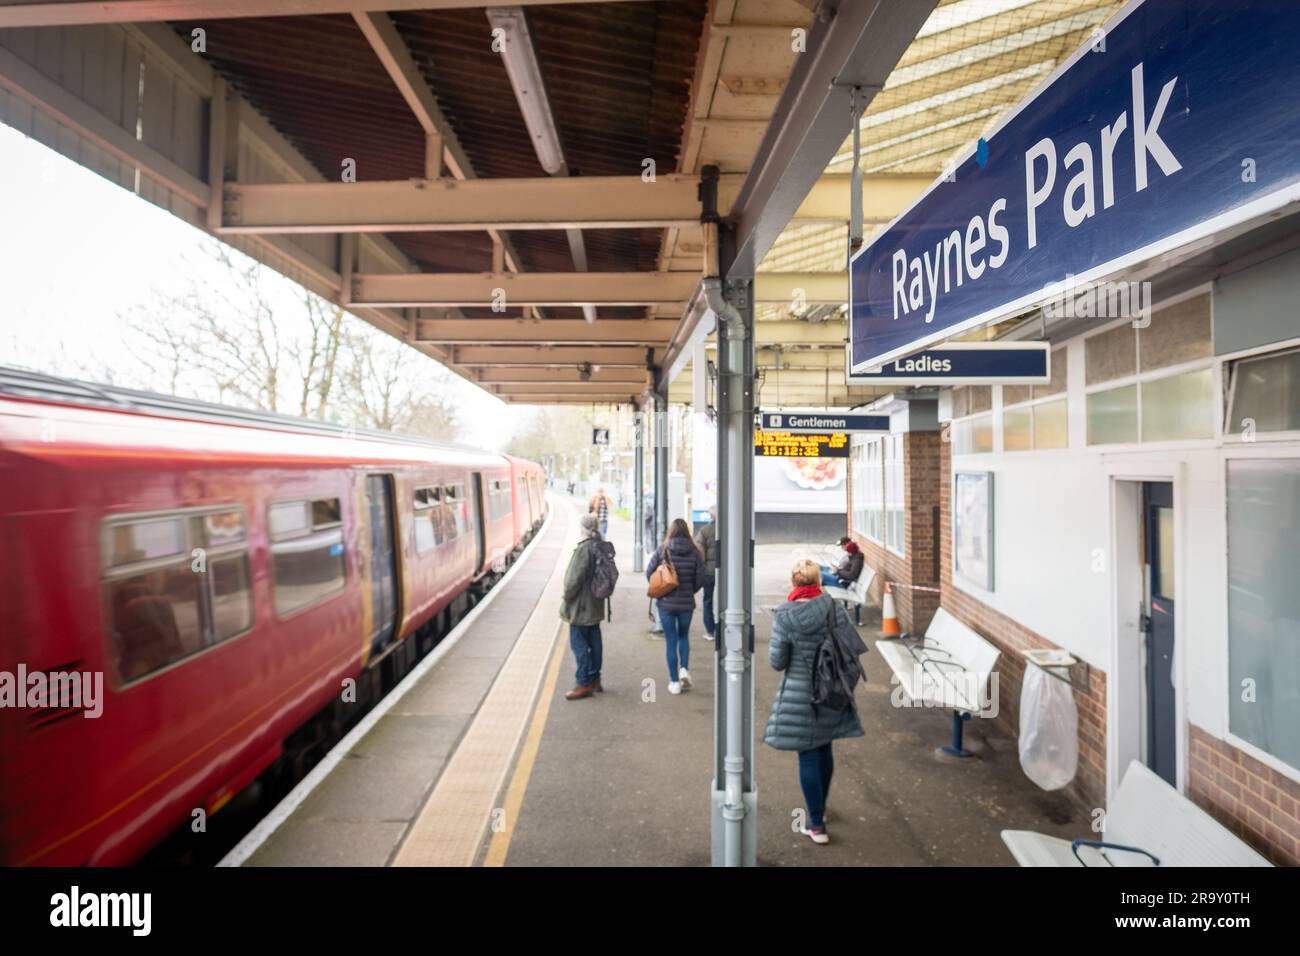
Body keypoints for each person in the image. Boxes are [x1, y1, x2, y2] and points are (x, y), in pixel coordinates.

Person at [763, 559, 866, 845]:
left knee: (808, 754)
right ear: (818, 583)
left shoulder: (785, 616)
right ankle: (821, 808)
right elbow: (851, 647)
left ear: (794, 583)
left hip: (800, 696)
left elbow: (777, 661)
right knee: (824, 747)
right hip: (832, 691)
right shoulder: (833, 608)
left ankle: (816, 823)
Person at [645, 518, 704, 695]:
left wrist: (662, 587)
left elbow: (649, 572)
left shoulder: (663, 550)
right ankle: (684, 669)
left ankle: (674, 682)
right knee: (683, 637)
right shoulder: (695, 552)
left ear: (671, 531)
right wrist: (689, 590)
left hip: (666, 604)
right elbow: (700, 579)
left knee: (671, 641)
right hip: (686, 603)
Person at [560, 513, 607, 701]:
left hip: (580, 606)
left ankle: (583, 682)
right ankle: (595, 678)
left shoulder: (584, 549)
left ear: (583, 529)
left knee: (579, 645)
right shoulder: (600, 546)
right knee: (594, 642)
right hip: (595, 603)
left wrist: (566, 597)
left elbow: (573, 580)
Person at [693, 506, 718, 641]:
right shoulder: (730, 530)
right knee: (725, 600)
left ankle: (710, 631)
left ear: (711, 516)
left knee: (708, 600)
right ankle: (726, 629)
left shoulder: (704, 531)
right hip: (726, 574)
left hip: (709, 572)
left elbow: (700, 553)